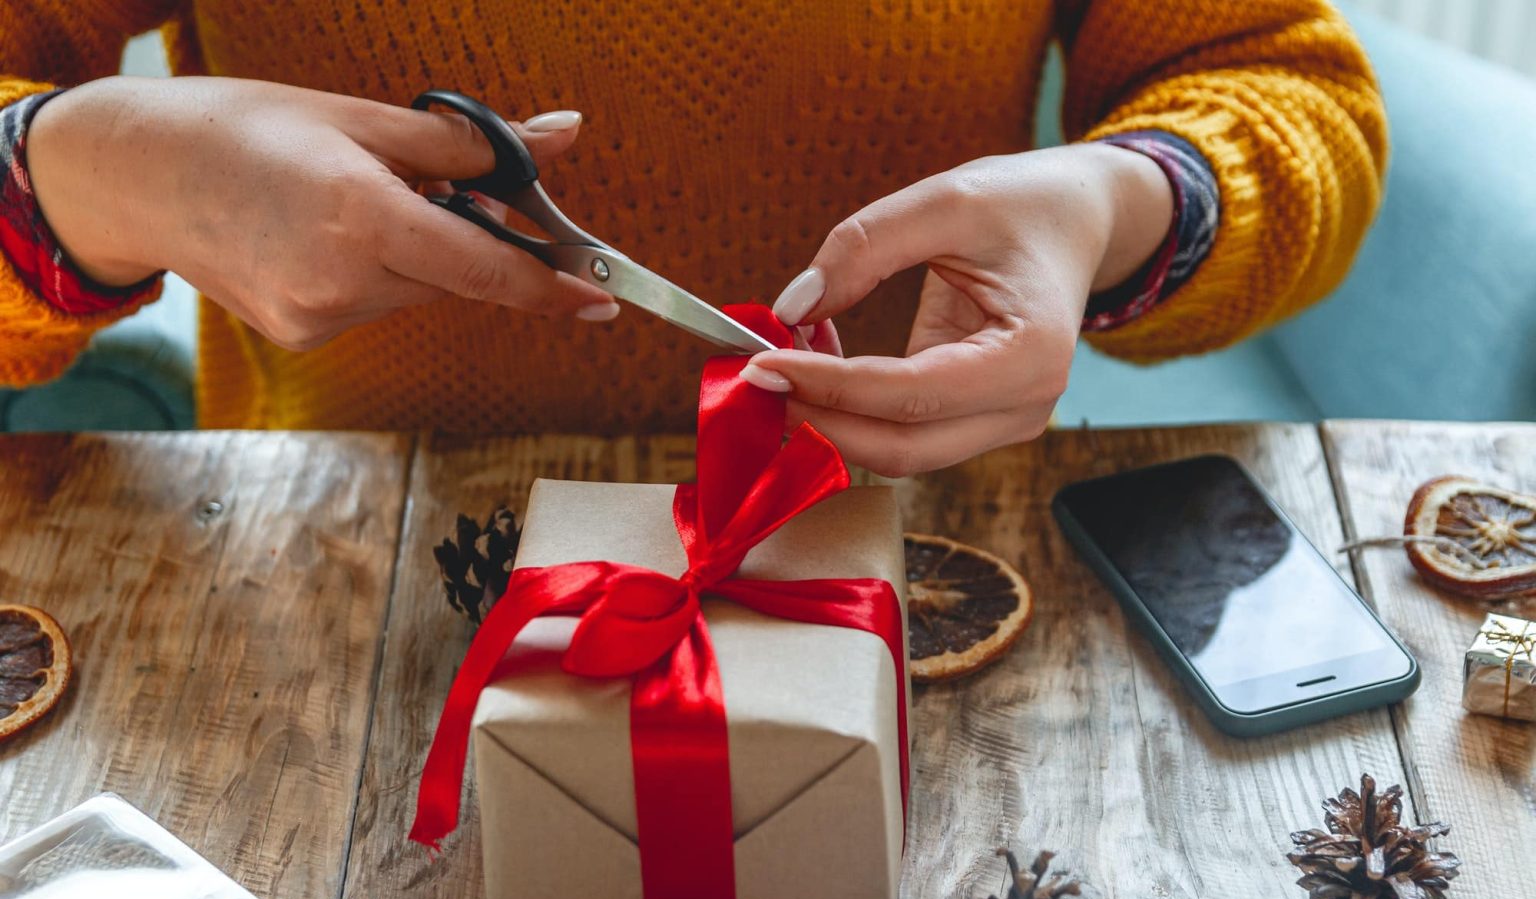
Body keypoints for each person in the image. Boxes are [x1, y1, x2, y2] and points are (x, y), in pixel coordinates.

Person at [0, 1, 1384, 476]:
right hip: (347, 584)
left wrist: (1116, 202)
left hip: (925, 561)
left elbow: (1280, 81)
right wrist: (101, 174)